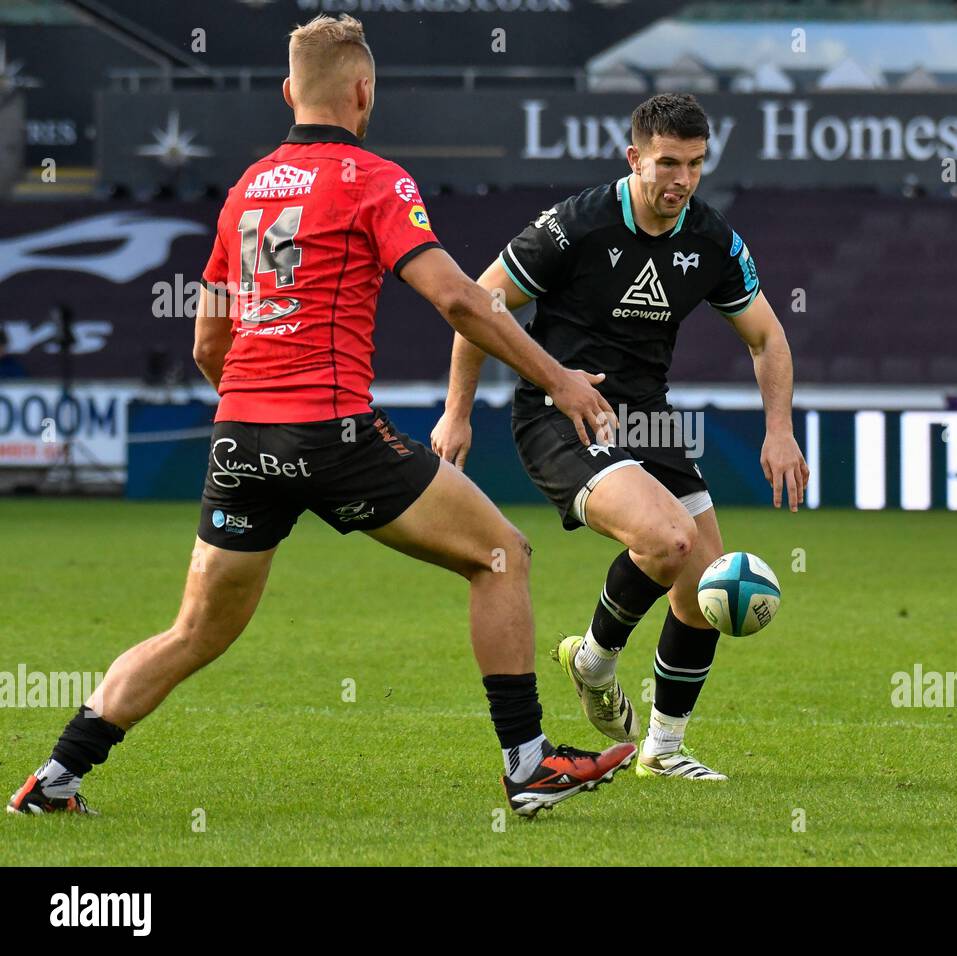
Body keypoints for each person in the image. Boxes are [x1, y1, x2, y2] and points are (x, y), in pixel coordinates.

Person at [7, 14, 635, 820]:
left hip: (242, 434)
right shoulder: (374, 178)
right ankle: (528, 766)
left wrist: (251, 411)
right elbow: (456, 298)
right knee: (501, 554)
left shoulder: (243, 192)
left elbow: (209, 340)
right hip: (331, 430)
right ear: (364, 90)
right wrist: (561, 381)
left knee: (196, 629)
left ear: (287, 92)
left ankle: (54, 779)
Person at [431, 93, 809, 781]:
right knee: (668, 539)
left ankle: (663, 750)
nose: (682, 181)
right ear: (634, 157)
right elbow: (479, 302)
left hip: (648, 419)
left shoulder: (713, 240)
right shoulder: (575, 225)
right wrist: (457, 412)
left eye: (695, 165)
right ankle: (596, 661)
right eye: (668, 163)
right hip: (558, 414)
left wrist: (779, 430)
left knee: (700, 585)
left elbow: (767, 337)